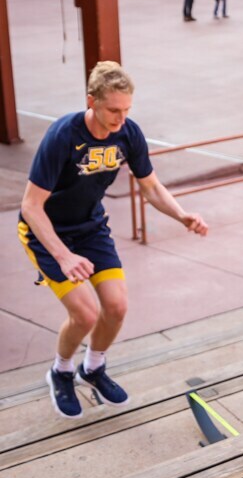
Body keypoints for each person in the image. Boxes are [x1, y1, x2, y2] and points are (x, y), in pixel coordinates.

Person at [18, 61, 209, 419]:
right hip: (46, 232)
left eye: (126, 110)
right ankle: (60, 372)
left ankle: (92, 367)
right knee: (85, 314)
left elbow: (149, 185)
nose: (120, 118)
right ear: (91, 100)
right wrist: (62, 257)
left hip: (89, 227)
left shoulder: (128, 133)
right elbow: (31, 206)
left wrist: (181, 214)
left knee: (117, 307)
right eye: (113, 110)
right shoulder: (63, 135)